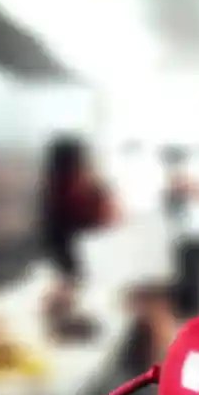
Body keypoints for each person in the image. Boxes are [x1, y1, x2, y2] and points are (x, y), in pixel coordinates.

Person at [39, 136, 117, 336]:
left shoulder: (94, 193)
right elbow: (56, 245)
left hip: (97, 275)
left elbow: (111, 229)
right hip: (70, 275)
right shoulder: (57, 197)